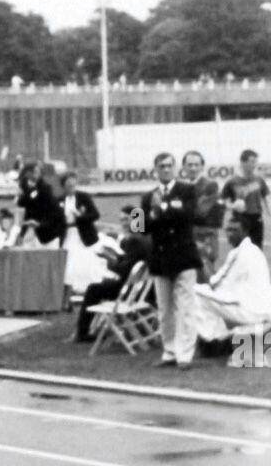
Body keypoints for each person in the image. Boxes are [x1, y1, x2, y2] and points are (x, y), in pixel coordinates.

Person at [140, 152, 201, 369]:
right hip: (161, 257)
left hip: (183, 255)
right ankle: (170, 351)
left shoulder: (187, 190)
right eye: (161, 166)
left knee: (185, 307)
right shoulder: (147, 197)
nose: (166, 170)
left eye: (169, 166)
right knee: (164, 310)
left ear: (175, 168)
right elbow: (138, 227)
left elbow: (190, 215)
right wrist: (155, 214)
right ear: (155, 169)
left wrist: (163, 208)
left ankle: (185, 354)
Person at [73, 205, 151, 342]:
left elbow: (124, 270)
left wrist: (109, 259)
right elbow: (129, 261)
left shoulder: (135, 241)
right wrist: (115, 257)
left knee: (93, 289)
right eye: (122, 220)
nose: (124, 223)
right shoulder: (144, 238)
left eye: (127, 219)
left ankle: (82, 332)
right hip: (141, 288)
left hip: (131, 292)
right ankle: (83, 332)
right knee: (101, 285)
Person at [194, 215, 271, 353]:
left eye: (235, 230)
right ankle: (218, 338)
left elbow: (214, 283)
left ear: (245, 231)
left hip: (251, 310)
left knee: (193, 292)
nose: (230, 234)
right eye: (228, 230)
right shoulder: (254, 250)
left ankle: (214, 341)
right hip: (260, 309)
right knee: (207, 296)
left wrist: (202, 257)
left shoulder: (240, 252)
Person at [59, 171, 104, 294]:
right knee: (68, 263)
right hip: (67, 234)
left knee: (85, 262)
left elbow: (95, 215)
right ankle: (69, 292)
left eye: (73, 185)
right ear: (63, 186)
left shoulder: (84, 197)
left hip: (83, 235)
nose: (72, 189)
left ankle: (87, 290)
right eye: (69, 186)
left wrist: (80, 217)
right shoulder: (59, 200)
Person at [181, 149, 223, 274]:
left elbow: (200, 212)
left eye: (196, 165)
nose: (193, 168)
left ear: (202, 166)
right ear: (183, 167)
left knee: (205, 275)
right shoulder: (182, 186)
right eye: (189, 165)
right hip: (188, 236)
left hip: (205, 237)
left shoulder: (210, 185)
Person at [221, 149, 269, 247]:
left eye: (256, 162)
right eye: (252, 162)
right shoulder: (232, 181)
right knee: (239, 249)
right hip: (239, 219)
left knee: (257, 249)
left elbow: (266, 198)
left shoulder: (259, 180)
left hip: (256, 218)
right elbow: (224, 202)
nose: (255, 164)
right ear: (242, 162)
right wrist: (233, 206)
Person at [16, 161, 64, 248]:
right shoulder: (25, 189)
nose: (37, 175)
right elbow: (24, 210)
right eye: (35, 172)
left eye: (38, 172)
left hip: (48, 233)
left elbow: (53, 213)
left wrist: (40, 224)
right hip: (32, 231)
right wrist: (22, 233)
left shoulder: (45, 189)